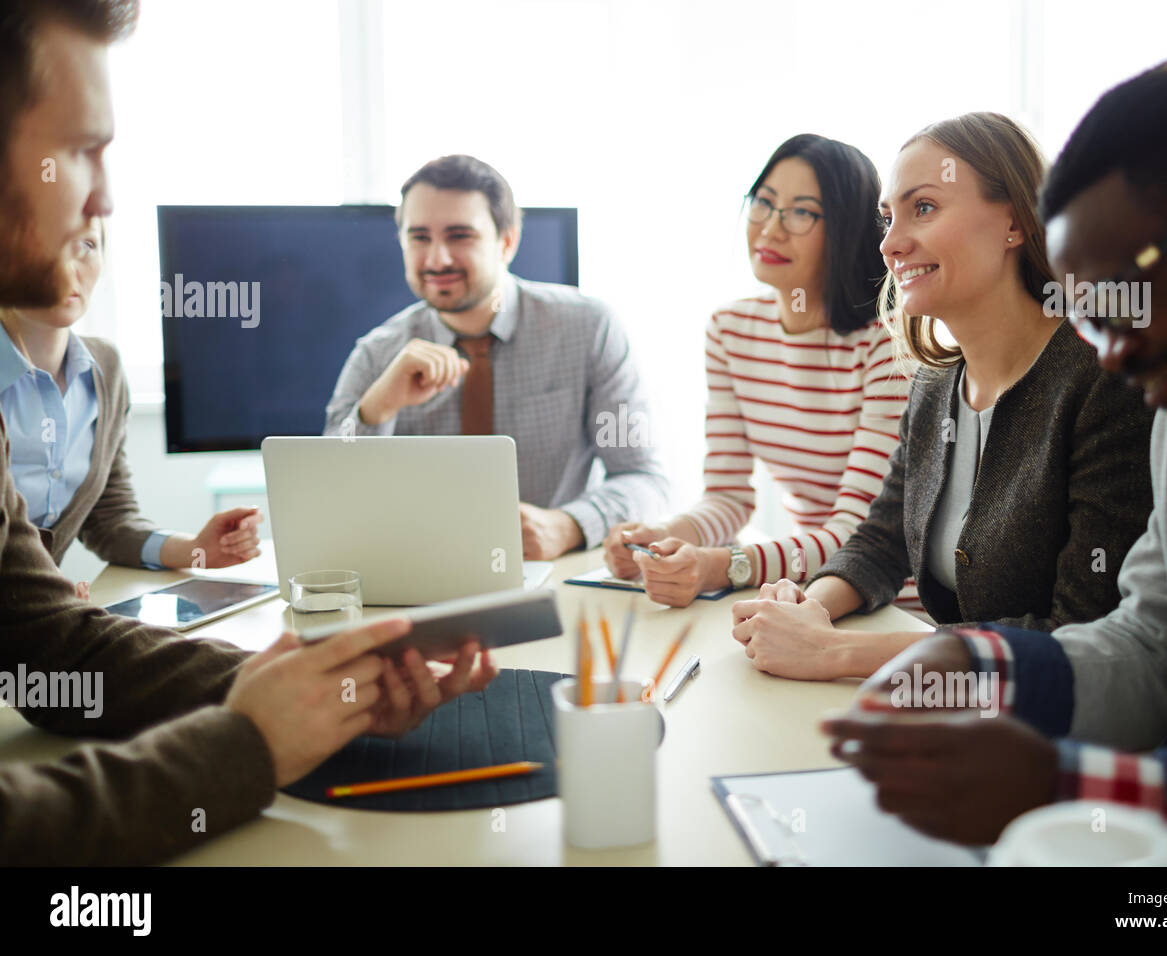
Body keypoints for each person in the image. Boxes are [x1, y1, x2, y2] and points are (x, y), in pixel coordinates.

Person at [0, 0, 495, 865]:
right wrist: (246, 744)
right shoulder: (376, 348)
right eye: (81, 150)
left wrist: (314, 688)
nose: (106, 198)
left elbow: (36, 637)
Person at [823, 55, 1167, 866]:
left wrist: (1065, 784)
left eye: (1120, 296)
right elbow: (1151, 644)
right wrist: (984, 664)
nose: (1110, 355)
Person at [732, 113, 1154, 681]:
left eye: (923, 208)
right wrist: (806, 607)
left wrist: (836, 653)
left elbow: (1078, 629)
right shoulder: (935, 385)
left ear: (1015, 222)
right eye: (888, 217)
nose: (890, 243)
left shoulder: (1101, 383)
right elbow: (881, 543)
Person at [599, 134, 920, 611]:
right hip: (800, 590)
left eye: (801, 212)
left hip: (890, 602)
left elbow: (859, 535)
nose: (770, 228)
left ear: (848, 229)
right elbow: (727, 498)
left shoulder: (889, 344)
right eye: (764, 203)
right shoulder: (731, 330)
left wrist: (720, 566)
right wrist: (662, 539)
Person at [324, 155, 669, 560]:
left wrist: (569, 526)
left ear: (507, 241)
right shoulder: (377, 353)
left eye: (460, 236)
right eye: (419, 237)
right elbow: (332, 496)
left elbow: (642, 477)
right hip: (417, 574)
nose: (437, 259)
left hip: (551, 574)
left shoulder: (589, 328)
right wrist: (377, 407)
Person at [0, 217, 265, 581]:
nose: (65, 268)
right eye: (43, 247)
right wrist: (47, 599)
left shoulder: (105, 368)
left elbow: (109, 519)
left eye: (86, 245)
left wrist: (196, 549)